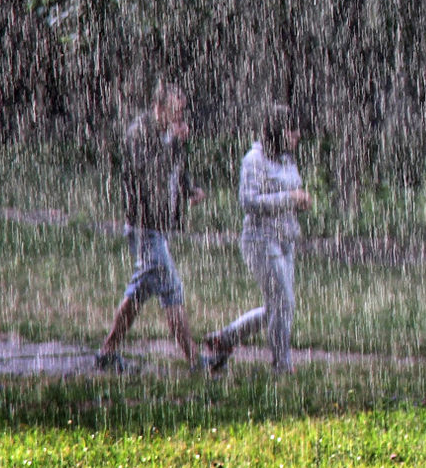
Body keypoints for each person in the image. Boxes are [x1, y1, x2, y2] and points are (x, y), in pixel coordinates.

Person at [95, 80, 209, 371]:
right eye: (174, 111)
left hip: (158, 226)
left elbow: (173, 169)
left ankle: (107, 353)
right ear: (158, 108)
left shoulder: (165, 135)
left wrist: (188, 189)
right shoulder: (140, 134)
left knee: (138, 294)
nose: (178, 118)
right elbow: (147, 175)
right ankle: (195, 361)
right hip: (144, 226)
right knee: (172, 290)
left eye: (181, 112)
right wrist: (172, 142)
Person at [204, 102, 312, 373]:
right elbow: (249, 201)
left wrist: (301, 200)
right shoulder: (254, 160)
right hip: (260, 240)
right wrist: (288, 198)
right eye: (293, 131)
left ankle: (224, 338)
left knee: (277, 306)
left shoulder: (287, 160)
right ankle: (282, 365)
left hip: (285, 238)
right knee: (284, 303)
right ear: (279, 132)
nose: (298, 136)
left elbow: (290, 190)